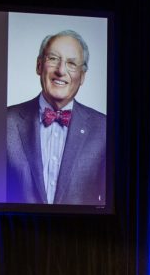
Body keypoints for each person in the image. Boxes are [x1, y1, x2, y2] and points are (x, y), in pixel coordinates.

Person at [6, 29, 107, 205]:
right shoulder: (4, 122)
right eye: (53, 59)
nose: (61, 70)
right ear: (39, 65)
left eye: (72, 64)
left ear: (82, 76)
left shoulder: (104, 129)